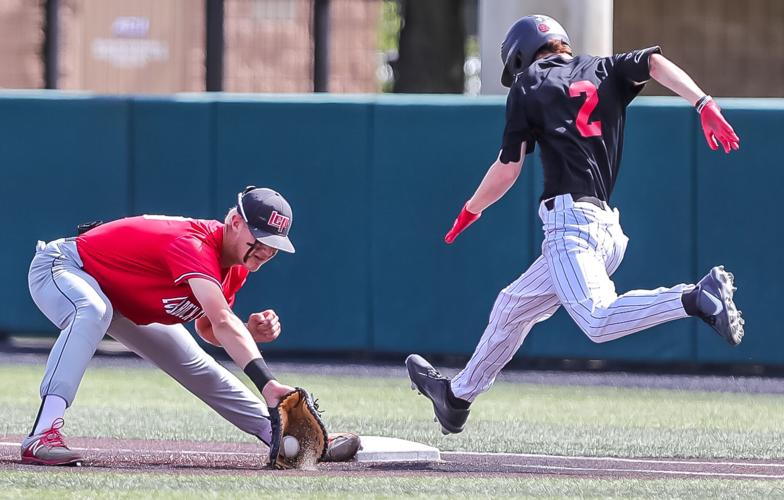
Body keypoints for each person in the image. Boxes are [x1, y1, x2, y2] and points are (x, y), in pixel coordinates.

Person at [406, 15, 745, 435]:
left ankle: (695, 297)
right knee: (511, 307)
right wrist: (703, 102)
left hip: (572, 228)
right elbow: (655, 64)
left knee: (598, 321)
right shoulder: (605, 67)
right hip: (605, 230)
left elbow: (508, 169)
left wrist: (471, 208)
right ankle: (456, 398)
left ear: (520, 55)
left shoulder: (530, 81)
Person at [22, 186, 359, 466]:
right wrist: (268, 383)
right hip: (64, 267)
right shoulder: (194, 244)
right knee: (92, 310)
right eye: (260, 238)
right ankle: (42, 433)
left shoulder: (235, 267)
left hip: (118, 300)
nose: (266, 250)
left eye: (274, 245)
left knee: (196, 364)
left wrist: (246, 331)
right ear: (235, 221)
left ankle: (287, 436)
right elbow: (221, 321)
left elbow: (209, 327)